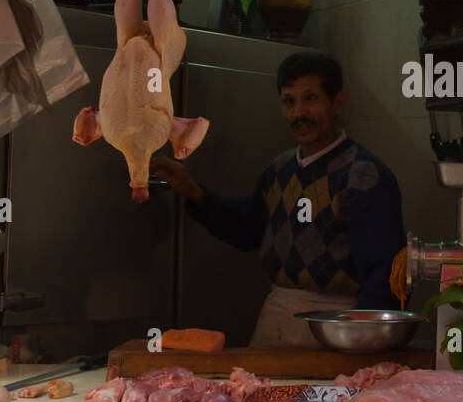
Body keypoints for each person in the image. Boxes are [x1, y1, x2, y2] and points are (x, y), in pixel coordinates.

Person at [149, 52, 405, 346]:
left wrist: (361, 340)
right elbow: (246, 229)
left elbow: (387, 272)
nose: (299, 113)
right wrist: (191, 189)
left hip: (339, 325)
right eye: (289, 101)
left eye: (311, 98)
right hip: (275, 318)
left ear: (337, 102)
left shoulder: (365, 176)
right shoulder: (279, 169)